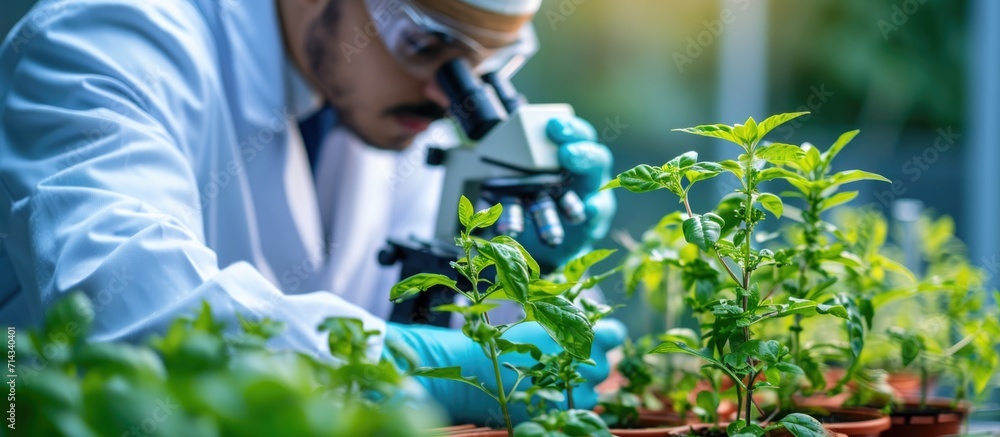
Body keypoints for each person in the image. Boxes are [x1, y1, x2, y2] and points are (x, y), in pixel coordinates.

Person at [0, 0, 620, 424]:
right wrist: (426, 370)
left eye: (486, 66)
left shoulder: (390, 108)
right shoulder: (108, 39)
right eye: (427, 43)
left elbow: (409, 321)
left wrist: (524, 276)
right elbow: (122, 310)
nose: (445, 96)